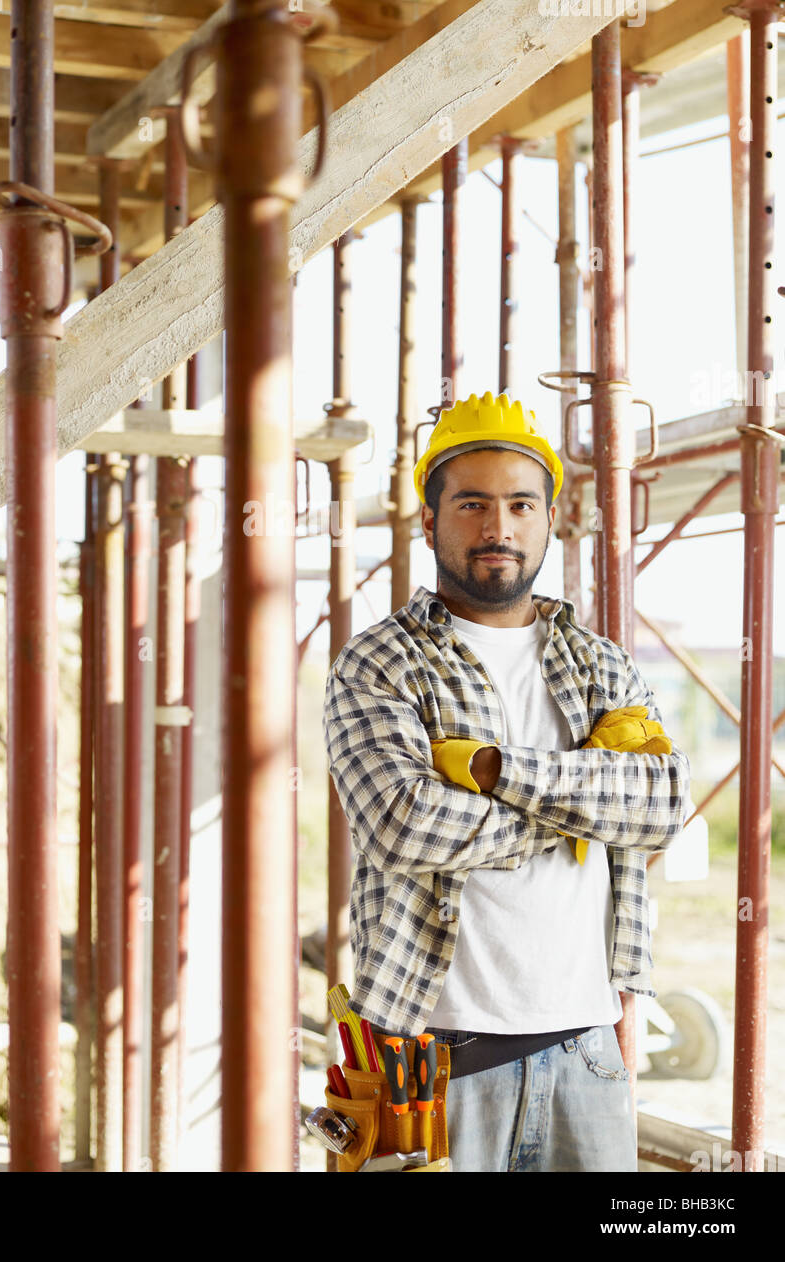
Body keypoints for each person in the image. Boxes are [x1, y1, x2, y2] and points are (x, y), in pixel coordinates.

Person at [323, 390, 693, 1172]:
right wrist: (585, 809)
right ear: (428, 521)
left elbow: (661, 806)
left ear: (548, 519)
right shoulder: (380, 662)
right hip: (432, 1059)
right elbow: (404, 823)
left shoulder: (600, 665)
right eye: (472, 505)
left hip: (587, 1052)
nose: (498, 528)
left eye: (521, 505)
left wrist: (492, 772)